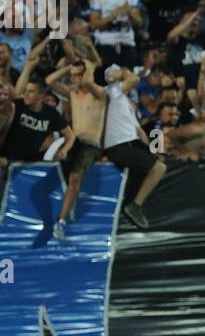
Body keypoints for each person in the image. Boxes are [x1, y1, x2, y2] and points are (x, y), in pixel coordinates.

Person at [46, 58, 107, 240]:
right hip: (73, 141)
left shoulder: (100, 94)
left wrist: (90, 66)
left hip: (90, 145)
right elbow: (49, 81)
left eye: (76, 75)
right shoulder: (72, 94)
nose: (72, 79)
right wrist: (67, 67)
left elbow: (89, 82)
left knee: (74, 178)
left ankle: (61, 222)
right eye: (70, 76)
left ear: (86, 74)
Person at [103, 65, 168, 229]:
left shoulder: (126, 101)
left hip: (130, 142)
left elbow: (139, 131)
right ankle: (135, 206)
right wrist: (122, 74)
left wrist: (153, 151)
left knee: (158, 158)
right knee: (159, 168)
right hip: (120, 144)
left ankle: (131, 203)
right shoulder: (113, 91)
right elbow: (135, 79)